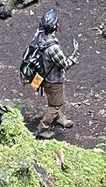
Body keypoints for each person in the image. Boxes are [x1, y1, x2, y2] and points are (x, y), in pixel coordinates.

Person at [33, 8, 78, 138]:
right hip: (54, 81)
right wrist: (73, 58)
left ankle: (58, 118)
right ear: (55, 26)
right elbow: (64, 65)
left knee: (52, 100)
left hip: (43, 76)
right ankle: (42, 129)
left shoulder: (40, 37)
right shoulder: (53, 48)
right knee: (56, 104)